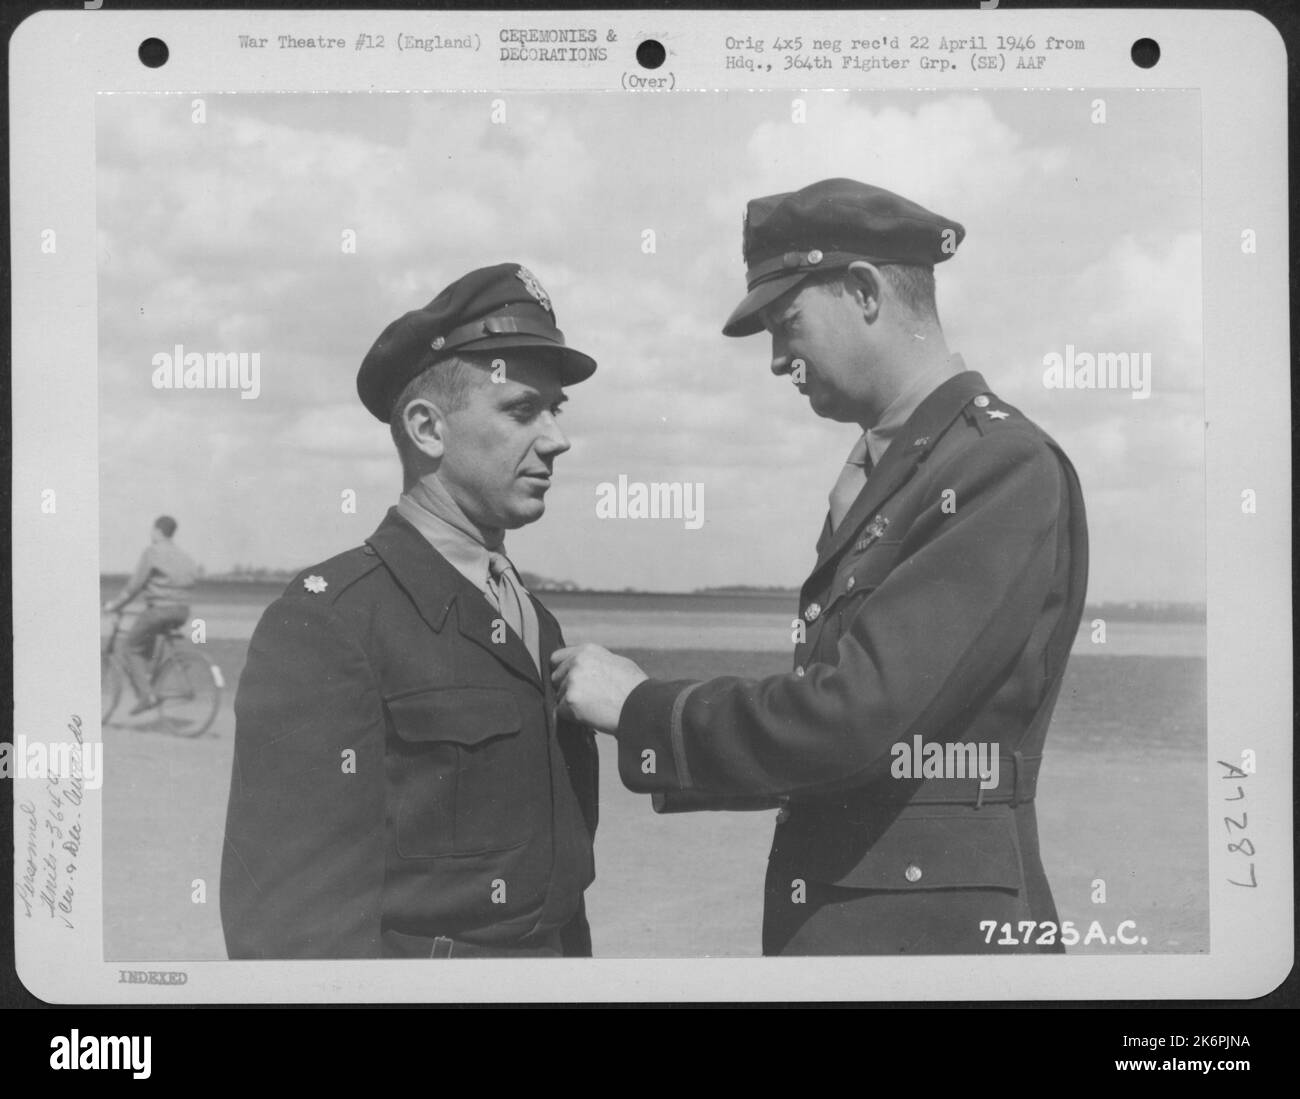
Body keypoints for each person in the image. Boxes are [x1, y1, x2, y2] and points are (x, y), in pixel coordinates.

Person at [552, 178, 1089, 955]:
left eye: (786, 322)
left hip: (934, 946)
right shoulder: (902, 467)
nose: (776, 360)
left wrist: (644, 709)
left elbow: (856, 720)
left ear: (865, 292)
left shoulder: (997, 466)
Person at [220, 263, 600, 959]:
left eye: (557, 409)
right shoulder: (330, 622)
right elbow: (291, 933)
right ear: (427, 429)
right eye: (522, 410)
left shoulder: (532, 616)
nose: (556, 438)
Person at [102, 515, 198, 715]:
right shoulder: (184, 556)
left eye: (152, 530)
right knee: (144, 641)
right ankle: (148, 680)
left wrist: (114, 605)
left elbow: (134, 586)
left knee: (129, 647)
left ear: (158, 531)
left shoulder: (153, 552)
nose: (150, 534)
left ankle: (147, 695)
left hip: (159, 610)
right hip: (182, 611)